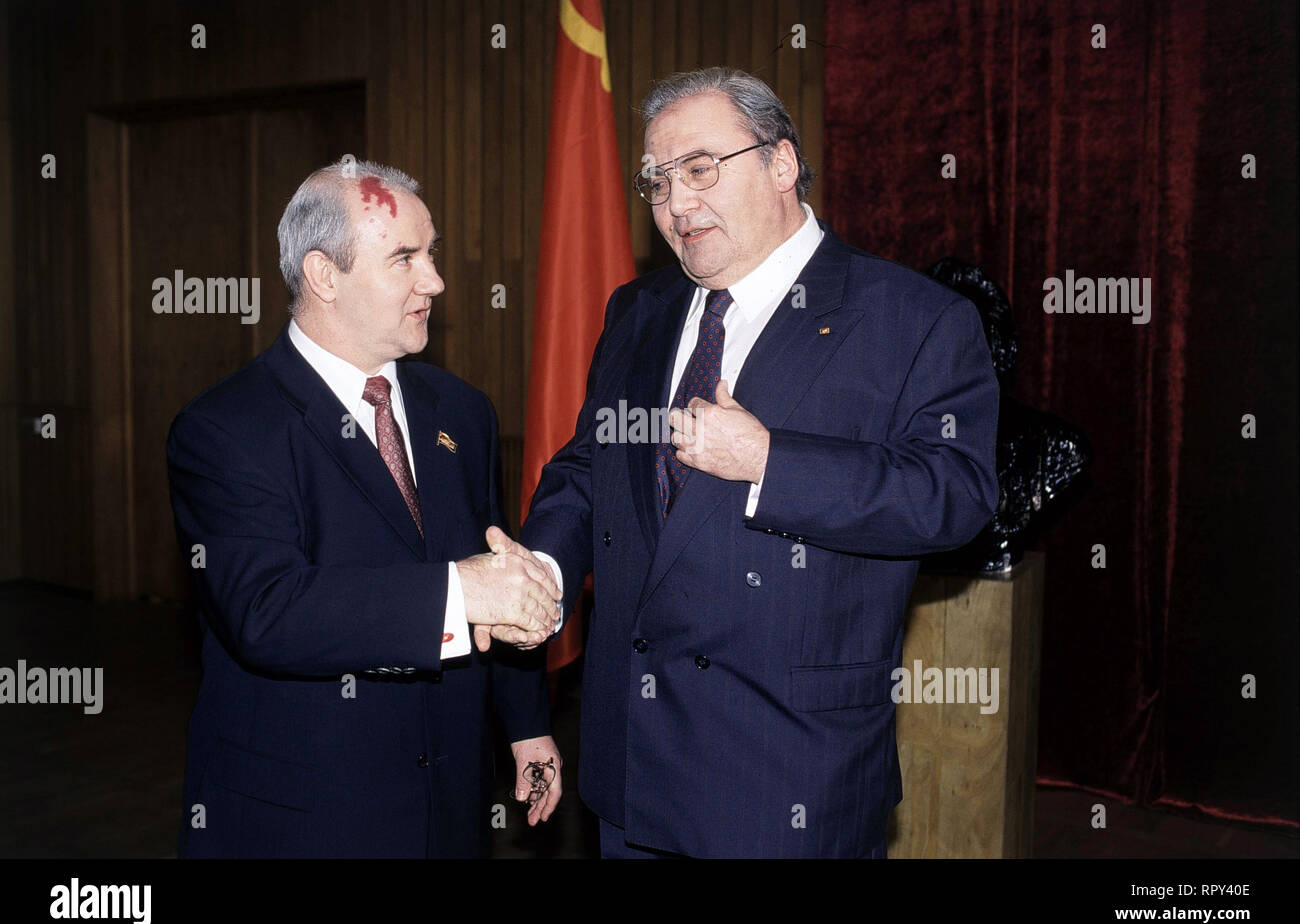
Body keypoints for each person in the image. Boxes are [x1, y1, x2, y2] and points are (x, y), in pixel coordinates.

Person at [516, 68, 1000, 857]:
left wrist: (772, 463)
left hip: (786, 778)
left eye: (701, 167)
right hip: (631, 771)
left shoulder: (911, 318)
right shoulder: (637, 310)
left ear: (781, 163)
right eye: (658, 180)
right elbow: (588, 469)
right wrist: (541, 565)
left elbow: (958, 496)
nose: (677, 202)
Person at [167, 159, 563, 857]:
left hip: (450, 806)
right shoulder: (227, 428)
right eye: (404, 258)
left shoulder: (462, 412)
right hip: (306, 818)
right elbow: (267, 611)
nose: (434, 280)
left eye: (431, 252)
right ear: (323, 276)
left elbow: (495, 575)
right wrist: (459, 588)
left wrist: (525, 724)